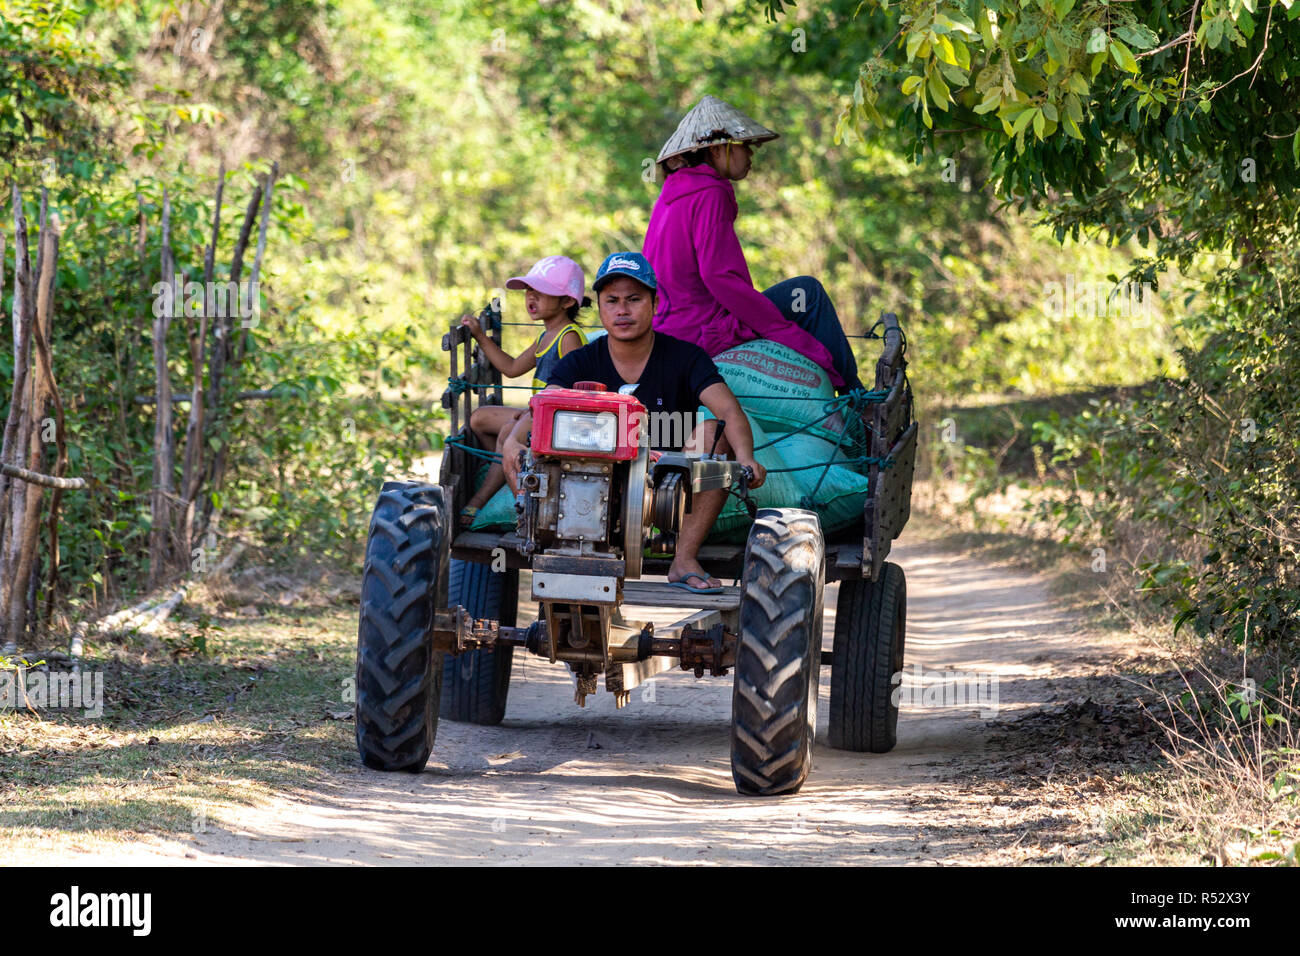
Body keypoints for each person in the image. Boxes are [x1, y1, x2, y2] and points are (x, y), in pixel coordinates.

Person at [501, 252, 766, 594]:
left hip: (668, 488)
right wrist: (512, 442)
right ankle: (555, 550)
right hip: (594, 483)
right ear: (599, 308)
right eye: (612, 301)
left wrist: (746, 458)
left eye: (634, 299)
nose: (622, 310)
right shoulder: (580, 361)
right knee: (536, 443)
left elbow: (729, 411)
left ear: (655, 303)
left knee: (714, 431)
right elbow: (542, 406)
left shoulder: (686, 357)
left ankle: (683, 558)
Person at [643, 94, 865, 393]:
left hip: (669, 328)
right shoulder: (710, 193)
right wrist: (779, 329)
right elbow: (719, 277)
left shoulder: (671, 194)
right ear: (721, 149)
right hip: (701, 332)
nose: (751, 155)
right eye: (745, 146)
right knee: (807, 293)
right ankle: (857, 395)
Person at [458, 255, 589, 528]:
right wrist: (481, 337)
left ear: (566, 301)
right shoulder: (545, 336)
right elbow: (512, 367)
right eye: (530, 291)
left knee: (507, 433)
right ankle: (504, 470)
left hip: (557, 416)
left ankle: (479, 500)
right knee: (479, 418)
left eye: (542, 293)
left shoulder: (569, 337)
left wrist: (526, 421)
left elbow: (577, 391)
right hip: (535, 412)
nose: (531, 297)